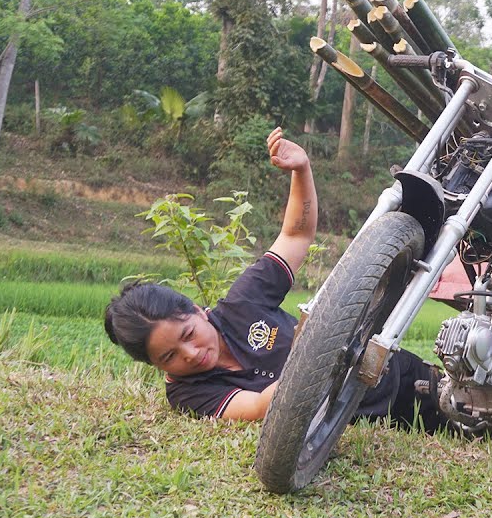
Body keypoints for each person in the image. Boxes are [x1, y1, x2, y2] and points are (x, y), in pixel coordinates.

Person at [105, 127, 440, 427]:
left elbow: (295, 236)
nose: (190, 354)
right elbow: (255, 407)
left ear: (196, 310)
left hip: (402, 374)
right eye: (169, 357)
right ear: (156, 367)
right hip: (369, 421)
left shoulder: (243, 302)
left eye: (187, 334)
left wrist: (301, 170)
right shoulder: (189, 394)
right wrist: (315, 359)